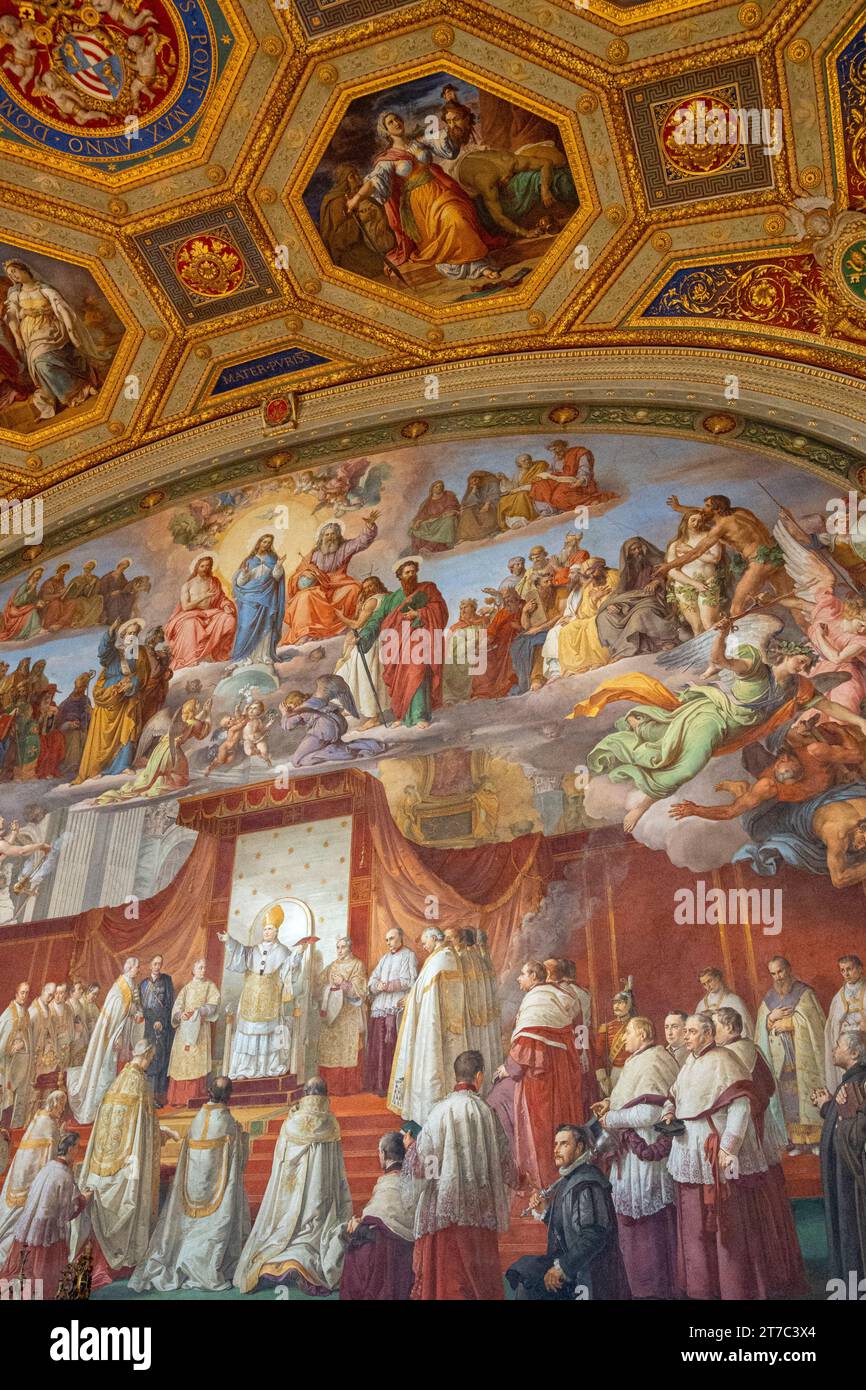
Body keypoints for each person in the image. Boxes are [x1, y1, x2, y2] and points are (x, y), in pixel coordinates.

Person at [660, 1013, 802, 1299]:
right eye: (684, 1031)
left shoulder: (725, 1060)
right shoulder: (689, 1061)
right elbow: (674, 1094)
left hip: (717, 1153)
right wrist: (668, 1110)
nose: (685, 1036)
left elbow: (741, 1107)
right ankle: (704, 1288)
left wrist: (729, 1148)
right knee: (695, 1224)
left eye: (691, 1031)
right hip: (690, 1149)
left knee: (729, 1225)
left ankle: (736, 1289)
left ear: (709, 1034)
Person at [345, 111, 502, 288]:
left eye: (397, 118)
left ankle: (478, 263)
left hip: (440, 189)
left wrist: (454, 130)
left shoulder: (421, 141)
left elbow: (446, 144)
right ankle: (477, 267)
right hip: (419, 204)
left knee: (458, 216)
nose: (396, 122)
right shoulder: (386, 159)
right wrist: (356, 198)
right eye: (390, 122)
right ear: (385, 131)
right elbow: (374, 182)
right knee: (453, 222)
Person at [407, 1051, 515, 1300]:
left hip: (445, 1212)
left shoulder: (439, 1112)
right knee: (478, 1279)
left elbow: (426, 1161)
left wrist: (435, 1182)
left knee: (448, 1279)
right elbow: (504, 1161)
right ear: (479, 1076)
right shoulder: (486, 1112)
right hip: (479, 1210)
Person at [715, 1006, 807, 1295]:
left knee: (756, 1202)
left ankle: (765, 1274)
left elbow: (754, 1093)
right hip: (755, 1127)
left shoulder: (737, 1052)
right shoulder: (747, 1047)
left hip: (752, 1130)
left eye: (716, 1026)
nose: (713, 1032)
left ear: (730, 1028)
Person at [130, 1076, 250, 1293]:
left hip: (191, 1189)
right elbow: (236, 1160)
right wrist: (243, 1137)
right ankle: (204, 1266)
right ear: (228, 1095)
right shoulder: (227, 1123)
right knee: (214, 1223)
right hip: (216, 1193)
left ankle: (181, 1259)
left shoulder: (197, 1119)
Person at [234, 1077, 352, 1295]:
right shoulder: (330, 1123)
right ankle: (301, 1259)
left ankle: (277, 1261)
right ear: (324, 1095)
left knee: (282, 1227)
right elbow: (337, 1172)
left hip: (288, 1200)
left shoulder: (290, 1124)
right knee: (317, 1223)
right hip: (319, 1201)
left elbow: (279, 1167)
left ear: (305, 1094)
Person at [74, 1040, 176, 1288]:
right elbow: (144, 1131)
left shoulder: (117, 1083)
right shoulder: (139, 1084)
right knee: (132, 1191)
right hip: (125, 1168)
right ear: (148, 1055)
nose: (151, 1062)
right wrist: (165, 1134)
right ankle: (125, 1256)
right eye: (151, 1058)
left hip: (102, 1166)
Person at [593, 1017, 679, 1298]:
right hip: (630, 1154)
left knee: (649, 1226)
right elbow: (629, 1099)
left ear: (642, 1033)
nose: (622, 1039)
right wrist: (610, 1104)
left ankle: (654, 1290)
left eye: (627, 1033)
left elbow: (651, 1113)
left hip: (647, 1154)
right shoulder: (635, 1060)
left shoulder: (653, 1061)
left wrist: (612, 1117)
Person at [506, 1124, 631, 1300]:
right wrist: (545, 1211)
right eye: (555, 1144)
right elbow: (567, 1228)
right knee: (526, 1274)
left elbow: (593, 1235)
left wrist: (562, 1268)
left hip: (590, 1275)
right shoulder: (569, 1179)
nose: (556, 1150)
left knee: (529, 1283)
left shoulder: (587, 1184)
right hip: (574, 1265)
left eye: (564, 1144)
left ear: (579, 1148)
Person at [489, 959, 584, 1188]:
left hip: (540, 1082)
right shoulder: (553, 995)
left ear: (533, 976)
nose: (519, 978)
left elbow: (525, 1049)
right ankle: (562, 1175)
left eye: (522, 974)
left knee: (541, 1128)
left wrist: (507, 1068)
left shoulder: (536, 1000)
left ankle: (544, 1181)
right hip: (560, 1075)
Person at [353, 558, 448, 729]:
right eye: (407, 572)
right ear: (400, 576)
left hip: (420, 639)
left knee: (417, 673)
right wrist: (365, 636)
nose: (411, 575)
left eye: (413, 571)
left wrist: (419, 614)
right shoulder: (392, 598)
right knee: (400, 681)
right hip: (397, 645)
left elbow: (440, 609)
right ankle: (403, 716)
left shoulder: (428, 588)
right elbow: (377, 619)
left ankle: (420, 716)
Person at [2, 258, 105, 417]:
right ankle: (80, 389)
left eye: (14, 271)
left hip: (52, 329)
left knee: (44, 361)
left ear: (24, 269)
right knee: (40, 363)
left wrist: (71, 331)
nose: (13, 276)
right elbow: (12, 315)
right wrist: (17, 336)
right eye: (9, 274)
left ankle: (78, 391)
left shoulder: (44, 288)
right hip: (31, 334)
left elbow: (62, 308)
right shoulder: (15, 293)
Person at [388, 926, 466, 1124]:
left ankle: (431, 1117)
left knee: (434, 1068)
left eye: (425, 942)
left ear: (433, 937)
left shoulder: (443, 958)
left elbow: (430, 994)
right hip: (433, 1023)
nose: (423, 946)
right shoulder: (441, 956)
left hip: (434, 1026)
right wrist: (412, 996)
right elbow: (423, 988)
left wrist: (411, 997)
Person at [0, 1131, 91, 1299]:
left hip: (31, 1227)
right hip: (48, 1232)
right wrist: (84, 1199)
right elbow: (68, 1212)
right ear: (70, 1149)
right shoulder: (64, 1175)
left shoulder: (48, 1168)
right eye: (77, 1147)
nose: (77, 1151)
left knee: (27, 1272)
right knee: (45, 1280)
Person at [218, 905, 301, 1080]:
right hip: (250, 998)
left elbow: (289, 971)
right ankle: (245, 1068)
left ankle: (266, 1068)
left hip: (270, 998)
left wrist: (297, 955)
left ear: (277, 931)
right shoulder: (253, 950)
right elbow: (241, 952)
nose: (266, 932)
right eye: (265, 929)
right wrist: (229, 941)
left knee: (267, 1033)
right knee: (247, 1032)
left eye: (270, 929)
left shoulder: (283, 951)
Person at [812, 1028, 866, 1286]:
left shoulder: (859, 1082)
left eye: (839, 1045)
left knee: (855, 1229)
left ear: (855, 1052)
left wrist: (838, 1108)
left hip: (852, 1179)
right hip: (841, 1174)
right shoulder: (850, 1081)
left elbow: (857, 1131)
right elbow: (845, 1119)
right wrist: (828, 1106)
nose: (834, 1049)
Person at [755, 955, 826, 1153]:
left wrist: (790, 1023)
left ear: (789, 969)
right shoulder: (769, 999)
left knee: (808, 1096)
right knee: (788, 1100)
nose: (778, 977)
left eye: (780, 971)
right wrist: (770, 1019)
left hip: (804, 1058)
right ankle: (796, 1142)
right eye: (773, 973)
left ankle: (814, 1140)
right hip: (781, 1061)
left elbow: (815, 1024)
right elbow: (761, 1029)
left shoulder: (804, 993)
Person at [340, 1130, 417, 1301]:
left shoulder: (388, 1183)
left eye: (379, 1152)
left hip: (387, 1250)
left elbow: (378, 1221)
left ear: (383, 1153)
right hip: (408, 1249)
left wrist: (358, 1225)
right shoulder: (411, 1180)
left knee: (356, 1247)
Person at [67, 956, 144, 1124]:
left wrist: (137, 1013)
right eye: (137, 967)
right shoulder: (120, 987)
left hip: (124, 1034)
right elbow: (116, 1010)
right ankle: (100, 1110)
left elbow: (134, 1006)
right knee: (107, 1074)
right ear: (130, 968)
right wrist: (117, 1035)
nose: (139, 970)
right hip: (113, 1037)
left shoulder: (132, 984)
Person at [282, 515, 378, 645]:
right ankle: (305, 633)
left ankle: (344, 626)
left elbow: (361, 542)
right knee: (304, 596)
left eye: (333, 534)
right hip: (318, 587)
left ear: (338, 536)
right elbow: (298, 575)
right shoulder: (314, 554)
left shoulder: (344, 548)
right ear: (321, 537)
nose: (330, 537)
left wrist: (370, 527)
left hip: (338, 584)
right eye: (327, 534)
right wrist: (306, 574)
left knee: (353, 589)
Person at [71, 619, 148, 782]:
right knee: (103, 736)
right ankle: (98, 768)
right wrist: (110, 632)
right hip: (109, 697)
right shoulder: (115, 653)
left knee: (126, 729)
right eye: (130, 633)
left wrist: (131, 685)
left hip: (126, 699)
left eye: (135, 634)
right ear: (123, 635)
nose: (133, 636)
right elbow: (103, 651)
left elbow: (139, 677)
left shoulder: (136, 656)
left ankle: (122, 765)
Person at [0, 1088, 66, 1269]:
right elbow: (52, 1153)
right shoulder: (48, 1123)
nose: (62, 1108)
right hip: (29, 1178)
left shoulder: (40, 1117)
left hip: (23, 1174)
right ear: (54, 1103)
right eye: (61, 1104)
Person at [541, 555, 618, 677]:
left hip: (608, 612)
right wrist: (593, 599)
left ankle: (596, 660)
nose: (569, 576)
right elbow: (584, 610)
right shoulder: (580, 589)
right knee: (565, 631)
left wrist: (601, 602)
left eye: (572, 573)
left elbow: (617, 595)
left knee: (589, 626)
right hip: (587, 616)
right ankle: (568, 668)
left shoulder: (613, 576)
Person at [365, 927, 417, 1095]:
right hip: (381, 1006)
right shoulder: (385, 958)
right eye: (387, 940)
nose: (389, 942)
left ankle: (392, 1087)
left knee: (391, 1047)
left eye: (392, 939)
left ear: (400, 938)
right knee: (377, 1047)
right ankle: (378, 1085)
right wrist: (376, 986)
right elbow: (372, 980)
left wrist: (387, 985)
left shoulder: (409, 955)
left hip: (396, 1007)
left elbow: (410, 980)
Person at [333, 575, 389, 728]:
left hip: (369, 642)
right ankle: (352, 706)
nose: (368, 589)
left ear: (377, 585)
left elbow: (357, 624)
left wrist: (341, 617)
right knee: (350, 671)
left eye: (371, 586)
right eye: (365, 588)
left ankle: (373, 717)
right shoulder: (388, 597)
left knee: (366, 676)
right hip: (381, 640)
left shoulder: (372, 601)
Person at [164, 555, 237, 669]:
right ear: (197, 567)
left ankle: (217, 653)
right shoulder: (187, 585)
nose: (205, 568)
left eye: (208, 566)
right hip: (191, 614)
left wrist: (226, 606)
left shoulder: (214, 582)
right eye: (202, 566)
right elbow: (186, 606)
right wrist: (203, 597)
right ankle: (190, 658)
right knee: (190, 624)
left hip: (210, 613)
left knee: (229, 620)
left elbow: (221, 598)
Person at [166, 959, 220, 1107]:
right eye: (200, 968)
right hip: (184, 1029)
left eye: (204, 968)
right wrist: (180, 1015)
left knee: (196, 1061)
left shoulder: (210, 986)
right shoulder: (187, 988)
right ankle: (178, 1099)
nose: (203, 970)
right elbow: (177, 1007)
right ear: (193, 970)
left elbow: (213, 1005)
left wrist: (200, 1012)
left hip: (200, 1029)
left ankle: (195, 1097)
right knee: (182, 1061)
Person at [317, 936, 367, 1095]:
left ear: (349, 948)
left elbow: (361, 989)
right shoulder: (332, 966)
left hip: (349, 1015)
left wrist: (343, 983)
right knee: (329, 1048)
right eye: (337, 947)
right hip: (332, 1014)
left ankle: (347, 1088)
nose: (339, 950)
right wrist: (329, 986)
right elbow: (319, 984)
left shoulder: (357, 965)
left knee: (347, 1050)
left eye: (343, 947)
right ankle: (329, 1087)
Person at [229, 533, 286, 666]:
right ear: (259, 543)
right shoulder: (249, 560)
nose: (266, 544)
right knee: (246, 626)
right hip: (249, 598)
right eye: (264, 542)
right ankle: (245, 656)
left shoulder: (273, 559)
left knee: (267, 625)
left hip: (267, 597)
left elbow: (276, 578)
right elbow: (240, 583)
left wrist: (278, 566)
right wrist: (243, 573)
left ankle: (264, 655)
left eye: (269, 542)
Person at [825, 954, 866, 1090]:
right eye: (842, 970)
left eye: (850, 969)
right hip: (848, 1045)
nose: (846, 974)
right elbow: (833, 1024)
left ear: (860, 969)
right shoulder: (838, 997)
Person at [140, 954, 174, 1107]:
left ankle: (159, 1096)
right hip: (149, 1026)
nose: (157, 966)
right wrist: (153, 1021)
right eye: (155, 963)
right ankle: (149, 1097)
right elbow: (143, 1006)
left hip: (163, 1026)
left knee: (162, 1058)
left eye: (160, 963)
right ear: (150, 965)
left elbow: (168, 1003)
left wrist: (161, 1021)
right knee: (150, 1058)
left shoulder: (167, 980)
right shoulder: (143, 984)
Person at [0, 980, 32, 1128]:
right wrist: (10, 1048)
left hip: (19, 1059)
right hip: (6, 1060)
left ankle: (12, 1125)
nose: (24, 995)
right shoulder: (9, 1014)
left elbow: (25, 1034)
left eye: (27, 993)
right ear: (16, 993)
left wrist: (22, 1044)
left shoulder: (25, 1012)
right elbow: (3, 1037)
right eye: (22, 992)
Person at [595, 981, 636, 1097]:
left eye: (621, 1003)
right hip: (616, 1072)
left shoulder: (637, 1024)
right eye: (615, 1003)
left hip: (634, 1070)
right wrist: (602, 1077)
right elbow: (599, 1054)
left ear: (629, 1005)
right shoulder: (606, 1027)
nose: (616, 1006)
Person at [695, 965, 754, 1038]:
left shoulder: (734, 1000)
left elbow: (745, 1029)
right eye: (704, 984)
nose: (708, 986)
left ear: (718, 978)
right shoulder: (701, 1005)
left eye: (709, 981)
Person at [408, 480, 460, 553]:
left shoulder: (448, 495)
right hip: (430, 521)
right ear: (432, 488)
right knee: (418, 527)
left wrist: (450, 512)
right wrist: (418, 521)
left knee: (449, 521)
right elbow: (422, 514)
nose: (439, 488)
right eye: (437, 486)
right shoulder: (427, 501)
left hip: (442, 519)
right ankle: (417, 550)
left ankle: (430, 546)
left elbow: (452, 506)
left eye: (441, 486)